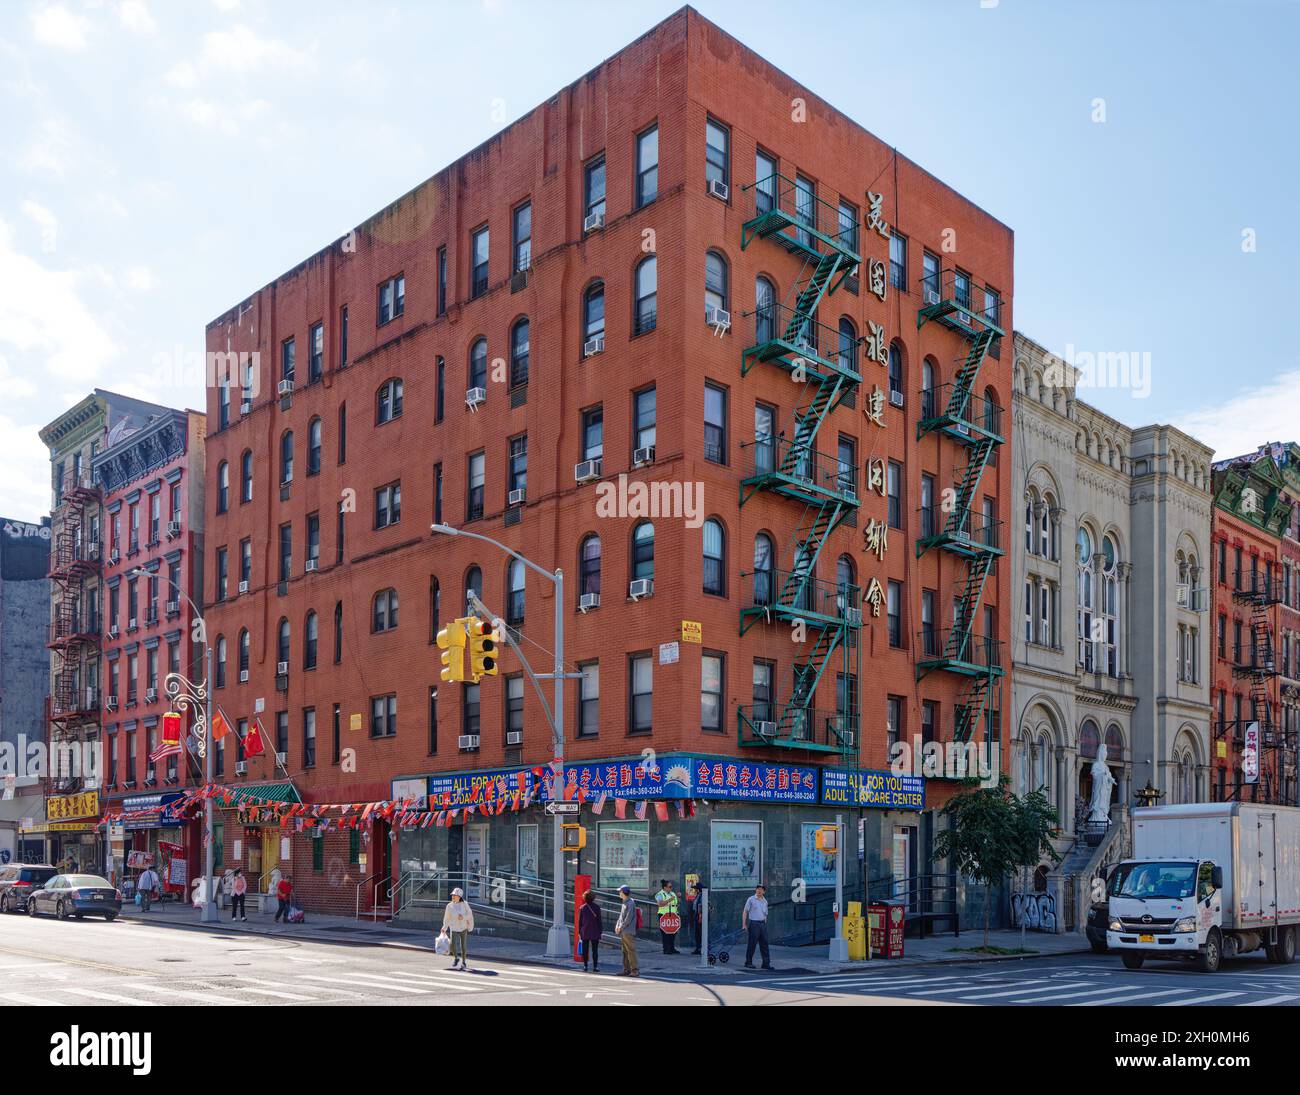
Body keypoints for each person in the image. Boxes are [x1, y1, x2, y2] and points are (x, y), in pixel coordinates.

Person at [742, 882, 773, 970]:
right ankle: (748, 962)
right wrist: (744, 924)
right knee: (752, 944)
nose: (759, 890)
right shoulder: (751, 899)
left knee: (765, 944)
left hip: (762, 924)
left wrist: (764, 923)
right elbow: (745, 911)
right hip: (754, 924)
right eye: (758, 889)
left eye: (761, 889)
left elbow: (765, 914)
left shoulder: (765, 901)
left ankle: (766, 964)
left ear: (764, 891)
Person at [442, 887, 475, 970]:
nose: (453, 896)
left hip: (463, 927)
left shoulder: (465, 904)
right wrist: (444, 927)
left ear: (459, 896)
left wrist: (463, 917)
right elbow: (447, 918)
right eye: (452, 895)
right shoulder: (449, 906)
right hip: (453, 927)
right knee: (452, 946)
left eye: (455, 895)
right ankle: (456, 958)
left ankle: (464, 962)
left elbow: (470, 914)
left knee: (463, 946)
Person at [614, 884, 639, 977]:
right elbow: (621, 917)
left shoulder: (630, 903)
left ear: (624, 892)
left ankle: (634, 970)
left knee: (631, 950)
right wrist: (617, 926)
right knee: (624, 951)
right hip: (623, 931)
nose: (619, 893)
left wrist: (620, 927)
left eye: (620, 891)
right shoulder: (624, 902)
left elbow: (628, 918)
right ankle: (626, 969)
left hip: (628, 931)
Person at [578, 890, 603, 972]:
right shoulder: (597, 907)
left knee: (585, 949)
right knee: (595, 950)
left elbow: (580, 922)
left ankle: (585, 966)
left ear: (584, 898)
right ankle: (595, 967)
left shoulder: (582, 908)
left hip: (585, 931)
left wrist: (579, 932)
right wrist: (600, 931)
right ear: (593, 898)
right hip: (595, 930)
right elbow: (599, 920)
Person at [654, 879, 680, 954]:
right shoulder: (660, 894)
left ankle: (672, 948)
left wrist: (679, 897)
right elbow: (660, 904)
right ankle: (666, 949)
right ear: (665, 887)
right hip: (664, 915)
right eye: (670, 887)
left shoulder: (672, 893)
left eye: (671, 887)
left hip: (673, 915)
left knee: (673, 932)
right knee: (665, 933)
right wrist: (669, 900)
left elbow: (677, 903)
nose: (671, 888)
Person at [689, 881, 706, 955]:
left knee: (701, 933)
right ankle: (698, 948)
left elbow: (701, 906)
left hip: (700, 916)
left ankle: (704, 948)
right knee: (697, 933)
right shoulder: (698, 895)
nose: (695, 890)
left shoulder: (703, 895)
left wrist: (700, 916)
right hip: (696, 915)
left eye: (696, 889)